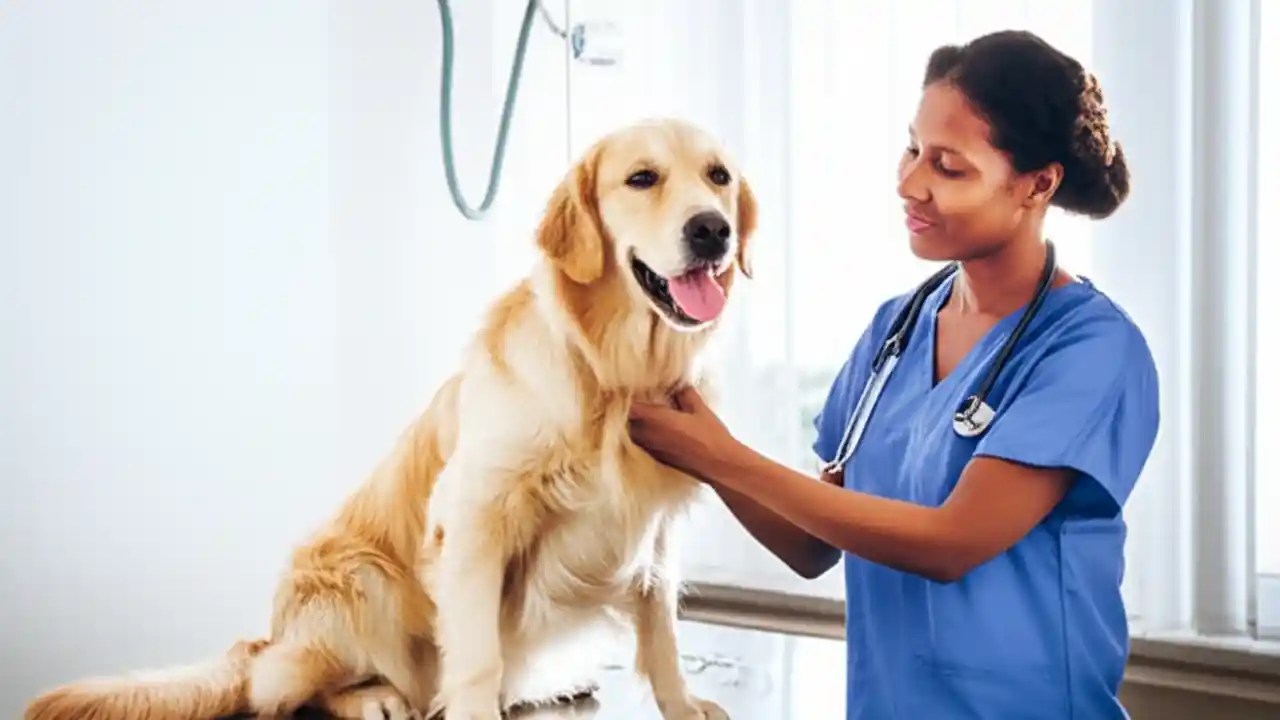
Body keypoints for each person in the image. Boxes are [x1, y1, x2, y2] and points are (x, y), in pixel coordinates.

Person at [627, 30, 1160, 720]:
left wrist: (719, 455)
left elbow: (951, 544)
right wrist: (698, 438)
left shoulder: (1090, 349)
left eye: (949, 166)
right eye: (912, 148)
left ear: (1038, 183)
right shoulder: (895, 330)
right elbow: (812, 545)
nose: (910, 183)